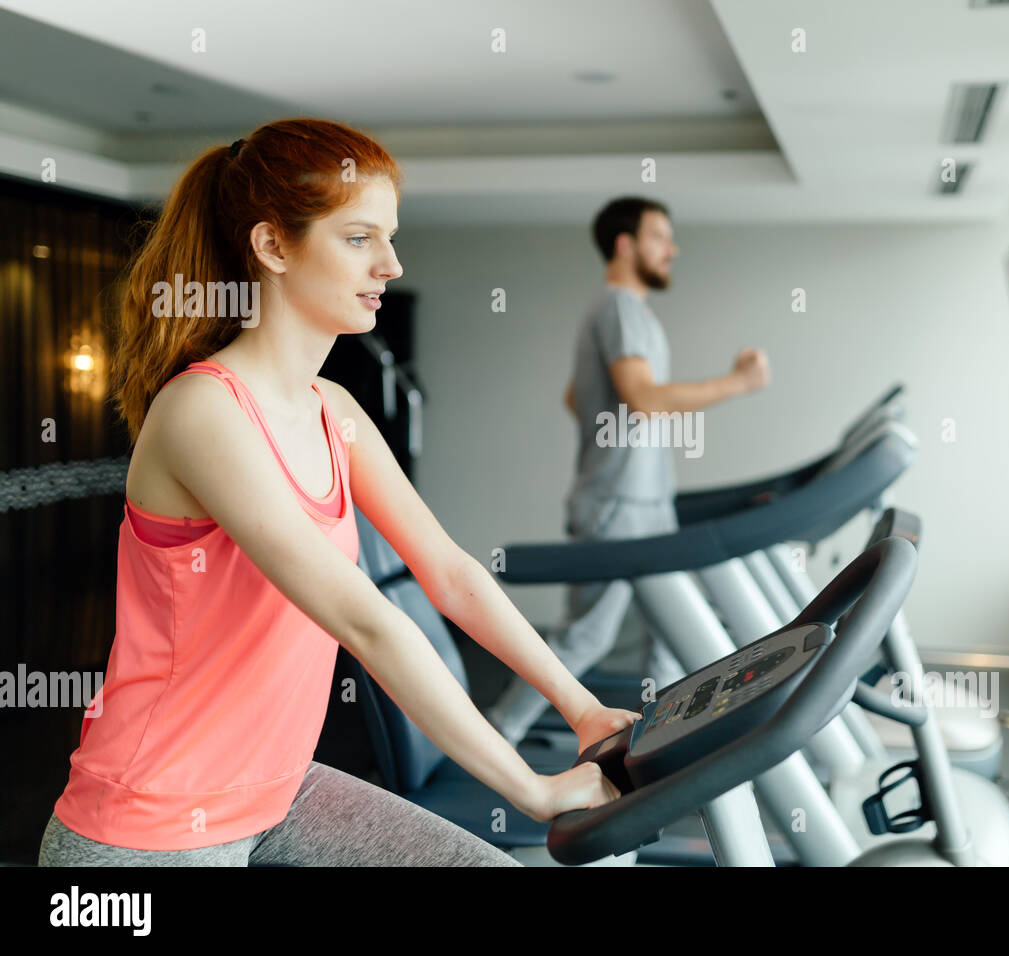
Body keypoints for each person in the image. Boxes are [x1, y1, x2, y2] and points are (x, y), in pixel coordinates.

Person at [37, 118, 635, 868]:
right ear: (273, 246)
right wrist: (531, 789)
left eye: (388, 237)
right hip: (145, 829)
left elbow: (450, 574)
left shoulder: (334, 411)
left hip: (278, 790)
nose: (389, 263)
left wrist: (582, 710)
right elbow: (367, 622)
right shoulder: (204, 412)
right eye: (359, 239)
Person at [485, 197, 771, 745]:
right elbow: (642, 398)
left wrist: (615, 443)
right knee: (587, 636)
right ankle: (498, 734)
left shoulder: (624, 311)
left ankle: (664, 746)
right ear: (625, 243)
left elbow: (578, 396)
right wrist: (738, 383)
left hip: (644, 499)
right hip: (619, 502)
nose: (672, 249)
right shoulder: (620, 308)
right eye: (660, 236)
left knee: (671, 633)